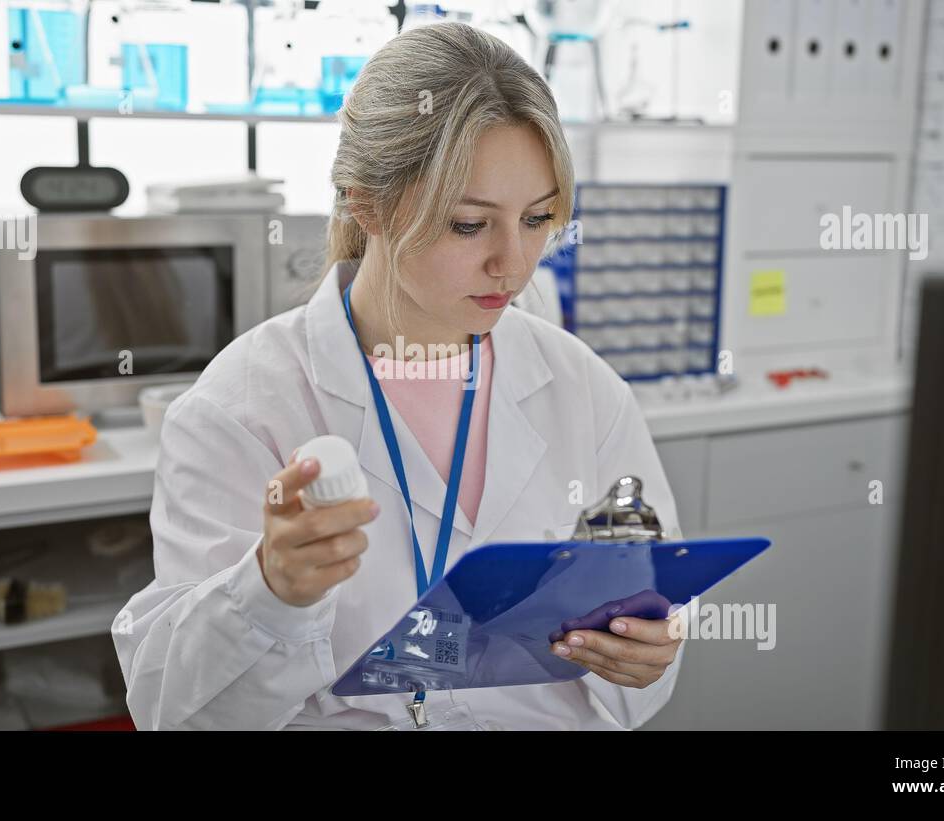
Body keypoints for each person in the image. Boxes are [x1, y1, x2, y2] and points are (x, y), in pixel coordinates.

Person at [113, 21, 685, 730]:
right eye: (470, 225)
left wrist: (645, 653)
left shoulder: (584, 390)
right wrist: (268, 592)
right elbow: (174, 711)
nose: (514, 262)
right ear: (368, 203)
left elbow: (649, 634)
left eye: (537, 218)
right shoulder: (244, 405)